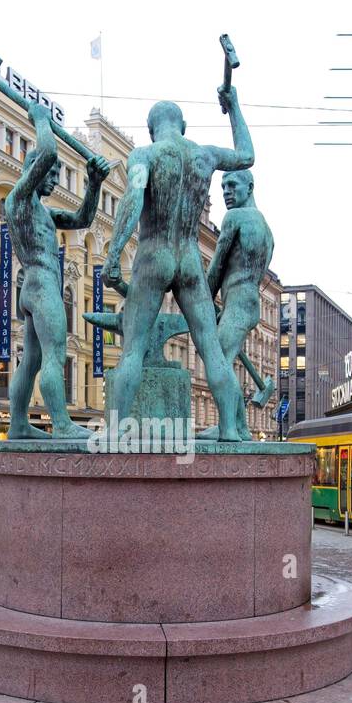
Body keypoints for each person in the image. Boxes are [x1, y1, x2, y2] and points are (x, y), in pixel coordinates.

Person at [103, 86, 254, 441]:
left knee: (133, 350)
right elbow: (246, 155)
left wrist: (114, 253)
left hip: (153, 254)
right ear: (183, 126)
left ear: (150, 128)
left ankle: (115, 431)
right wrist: (233, 106)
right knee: (211, 348)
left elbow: (132, 199)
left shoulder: (144, 154)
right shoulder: (204, 156)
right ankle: (230, 429)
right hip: (188, 257)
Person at [5, 103, 109, 439]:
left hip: (33, 286)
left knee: (32, 360)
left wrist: (94, 183)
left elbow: (83, 219)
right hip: (42, 283)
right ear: (33, 169)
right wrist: (40, 119)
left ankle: (19, 424)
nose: (53, 179)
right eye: (49, 174)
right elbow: (48, 151)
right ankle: (62, 425)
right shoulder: (18, 199)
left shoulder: (44, 214)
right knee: (55, 353)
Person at [204, 169, 274, 440]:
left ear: (250, 186)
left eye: (232, 185)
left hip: (237, 302)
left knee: (218, 360)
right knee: (225, 359)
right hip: (248, 302)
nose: (226, 192)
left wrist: (202, 300)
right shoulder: (267, 231)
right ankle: (240, 427)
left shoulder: (234, 218)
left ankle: (229, 428)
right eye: (222, 187)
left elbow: (218, 264)